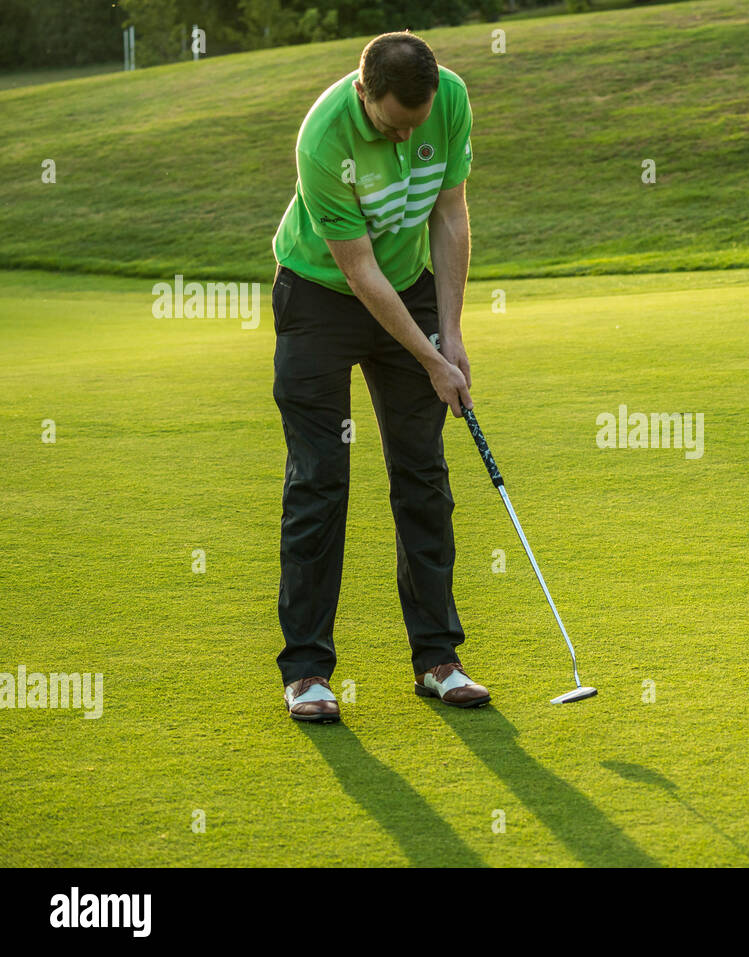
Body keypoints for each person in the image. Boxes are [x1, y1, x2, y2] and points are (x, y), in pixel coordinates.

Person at [269, 30, 489, 723]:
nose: (403, 138)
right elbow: (357, 271)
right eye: (392, 125)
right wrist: (430, 360)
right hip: (319, 299)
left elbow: (450, 215)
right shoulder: (323, 137)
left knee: (422, 473)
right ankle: (307, 671)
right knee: (320, 476)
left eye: (413, 127)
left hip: (409, 286)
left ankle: (437, 659)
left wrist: (450, 334)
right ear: (364, 93)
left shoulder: (447, 101)